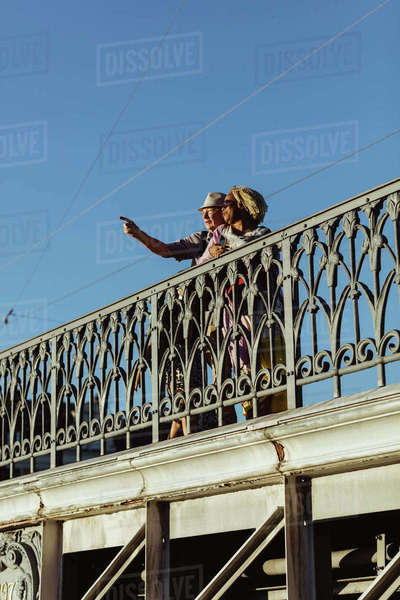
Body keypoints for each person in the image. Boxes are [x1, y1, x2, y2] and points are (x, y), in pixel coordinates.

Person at [198, 186, 286, 419]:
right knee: (247, 372)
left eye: (227, 203)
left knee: (273, 373)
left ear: (242, 206)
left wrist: (225, 254)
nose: (222, 208)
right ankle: (253, 418)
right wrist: (212, 257)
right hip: (236, 317)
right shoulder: (219, 234)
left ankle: (271, 421)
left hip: (266, 314)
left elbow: (260, 261)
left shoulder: (263, 233)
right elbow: (200, 270)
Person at [120, 192, 225, 266]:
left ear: (224, 212)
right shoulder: (200, 239)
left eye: (210, 211)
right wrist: (138, 234)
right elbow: (165, 250)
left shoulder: (238, 233)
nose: (204, 217)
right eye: (203, 213)